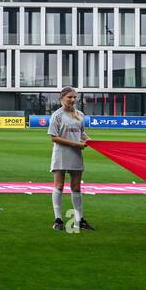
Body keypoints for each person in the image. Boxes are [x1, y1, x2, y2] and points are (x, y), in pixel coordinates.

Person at [50, 86, 93, 231]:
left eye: (74, 97)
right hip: (61, 154)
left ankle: (79, 220)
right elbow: (54, 137)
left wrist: (91, 141)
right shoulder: (57, 115)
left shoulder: (79, 114)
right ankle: (58, 219)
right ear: (62, 98)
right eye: (69, 97)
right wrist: (76, 144)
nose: (72, 100)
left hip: (76, 154)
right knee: (59, 186)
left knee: (76, 187)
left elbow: (82, 133)